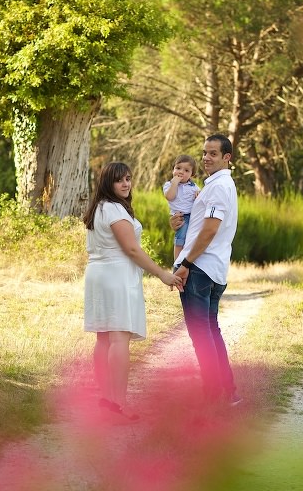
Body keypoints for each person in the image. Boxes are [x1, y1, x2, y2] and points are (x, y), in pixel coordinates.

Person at [83, 162, 183, 423]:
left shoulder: (100, 208)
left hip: (99, 274)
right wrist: (162, 274)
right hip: (116, 275)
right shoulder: (114, 208)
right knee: (117, 340)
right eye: (119, 180)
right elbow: (132, 249)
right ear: (108, 183)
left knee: (104, 339)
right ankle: (117, 403)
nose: (126, 184)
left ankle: (106, 400)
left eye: (128, 178)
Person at [171, 134, 241, 406]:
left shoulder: (219, 187)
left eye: (213, 153)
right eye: (204, 152)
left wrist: (186, 263)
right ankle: (228, 391)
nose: (206, 158)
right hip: (211, 267)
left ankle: (213, 395)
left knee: (202, 333)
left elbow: (211, 229)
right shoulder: (217, 185)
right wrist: (177, 224)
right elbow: (200, 224)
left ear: (227, 157)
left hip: (200, 268)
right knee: (211, 330)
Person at [162, 155, 200, 260]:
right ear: (173, 169)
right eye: (178, 168)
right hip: (180, 216)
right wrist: (174, 183)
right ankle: (177, 261)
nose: (181, 172)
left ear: (192, 174)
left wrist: (198, 195)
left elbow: (200, 200)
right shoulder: (169, 185)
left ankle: (188, 260)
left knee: (191, 239)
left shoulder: (193, 187)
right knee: (180, 239)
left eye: (186, 170)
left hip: (193, 215)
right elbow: (170, 196)